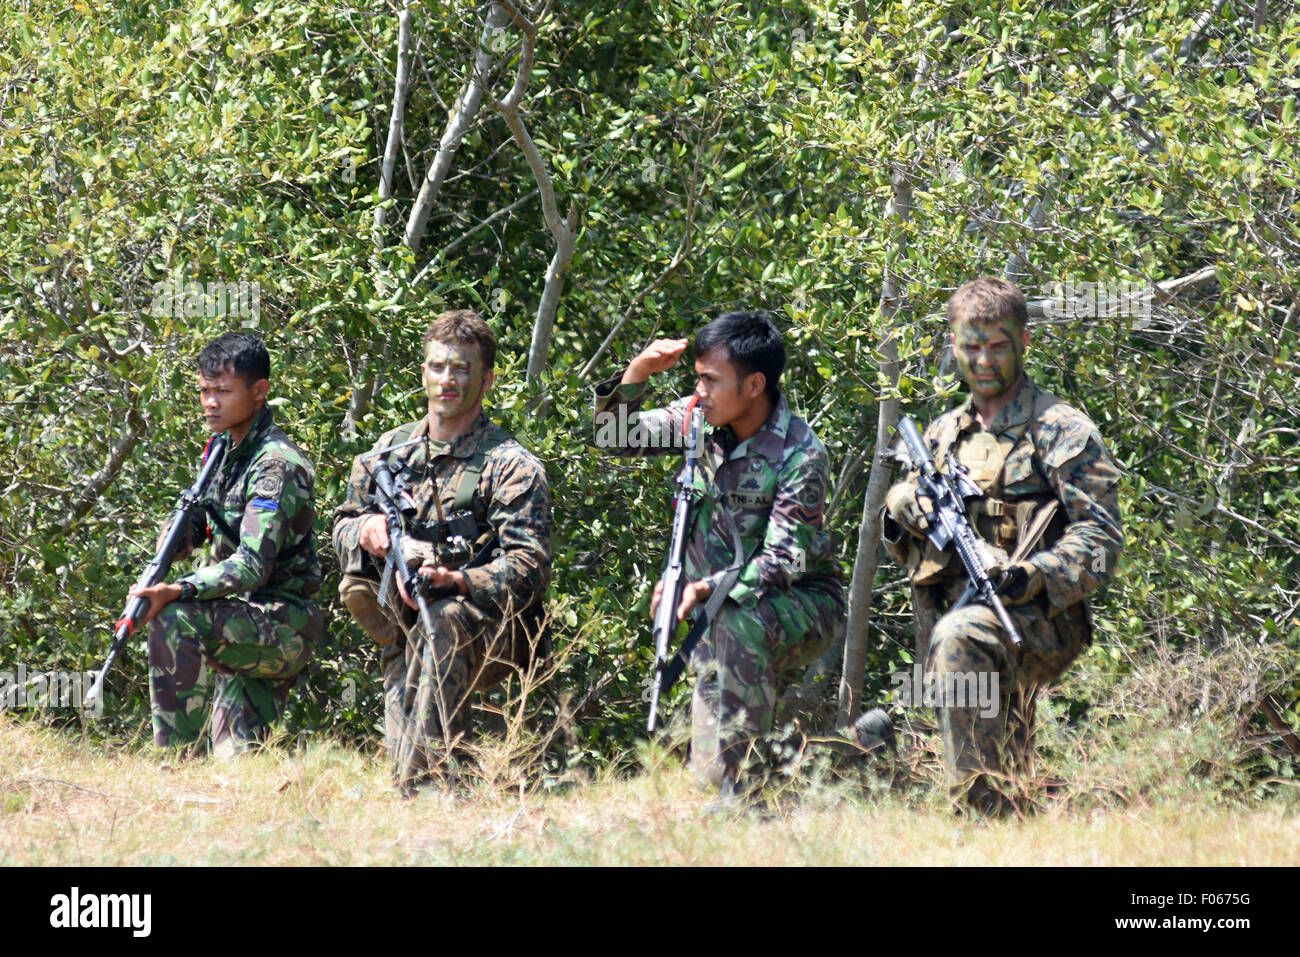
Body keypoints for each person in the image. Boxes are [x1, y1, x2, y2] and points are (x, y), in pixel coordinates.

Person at [883, 276, 1124, 813]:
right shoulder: (943, 434)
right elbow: (905, 520)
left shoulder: (1061, 430)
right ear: (954, 346)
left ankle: (977, 815)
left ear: (1024, 342)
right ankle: (1010, 811)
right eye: (972, 347)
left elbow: (1103, 538)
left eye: (998, 346)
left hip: (1041, 617)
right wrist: (903, 506)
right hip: (957, 606)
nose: (984, 360)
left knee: (960, 639)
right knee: (966, 658)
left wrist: (1033, 574)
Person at [594, 310, 845, 795]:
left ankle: (743, 795)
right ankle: (837, 753)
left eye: (711, 380)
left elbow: (786, 560)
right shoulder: (697, 421)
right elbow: (613, 438)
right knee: (706, 775)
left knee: (723, 771)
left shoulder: (801, 454)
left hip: (800, 604)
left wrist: (703, 588)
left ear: (754, 385)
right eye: (698, 379)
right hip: (719, 610)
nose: (700, 391)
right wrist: (637, 374)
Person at [333, 309, 551, 790]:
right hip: (405, 621)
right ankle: (431, 786)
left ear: (486, 379)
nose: (446, 379)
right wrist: (366, 528)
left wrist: (457, 580)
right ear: (423, 372)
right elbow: (341, 525)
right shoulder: (388, 453)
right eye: (437, 366)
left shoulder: (510, 465)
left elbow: (530, 566)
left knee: (445, 618)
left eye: (460, 369)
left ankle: (430, 786)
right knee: (402, 759)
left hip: (488, 628)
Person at [130, 332, 321, 757]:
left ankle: (174, 760)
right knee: (236, 767)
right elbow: (205, 518)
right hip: (238, 619)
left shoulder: (276, 465)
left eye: (223, 391)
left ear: (259, 391)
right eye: (204, 391)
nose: (210, 403)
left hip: (281, 624)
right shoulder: (221, 450)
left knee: (174, 617)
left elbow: (253, 564)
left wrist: (178, 589)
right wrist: (176, 535)